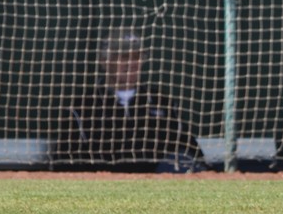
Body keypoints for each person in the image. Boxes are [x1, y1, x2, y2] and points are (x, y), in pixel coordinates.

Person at [50, 29, 205, 173]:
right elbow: (64, 162)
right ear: (104, 61)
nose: (131, 64)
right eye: (123, 57)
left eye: (136, 57)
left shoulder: (162, 102)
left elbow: (190, 150)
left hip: (159, 189)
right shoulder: (83, 107)